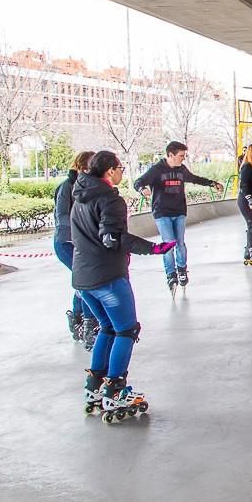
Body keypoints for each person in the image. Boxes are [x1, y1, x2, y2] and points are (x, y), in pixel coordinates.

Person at [72, 151, 177, 423]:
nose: (122, 173)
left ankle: (94, 385)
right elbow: (112, 238)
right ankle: (115, 388)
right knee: (127, 329)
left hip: (83, 279)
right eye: (119, 168)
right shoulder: (110, 199)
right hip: (107, 276)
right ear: (109, 171)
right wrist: (153, 248)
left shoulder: (79, 195)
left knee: (107, 327)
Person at [133, 141, 224, 293]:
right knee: (168, 243)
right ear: (170, 155)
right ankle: (170, 273)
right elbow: (139, 181)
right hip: (162, 212)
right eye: (181, 156)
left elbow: (195, 179)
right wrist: (142, 189)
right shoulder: (157, 170)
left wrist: (212, 183)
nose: (183, 158)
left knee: (180, 243)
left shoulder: (182, 169)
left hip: (179, 211)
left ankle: (181, 269)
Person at [54, 150, 98, 348]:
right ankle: (88, 323)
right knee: (87, 281)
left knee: (83, 281)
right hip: (67, 243)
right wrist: (81, 228)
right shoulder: (67, 187)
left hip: (84, 243)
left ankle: (78, 317)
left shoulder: (91, 186)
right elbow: (61, 216)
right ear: (82, 167)